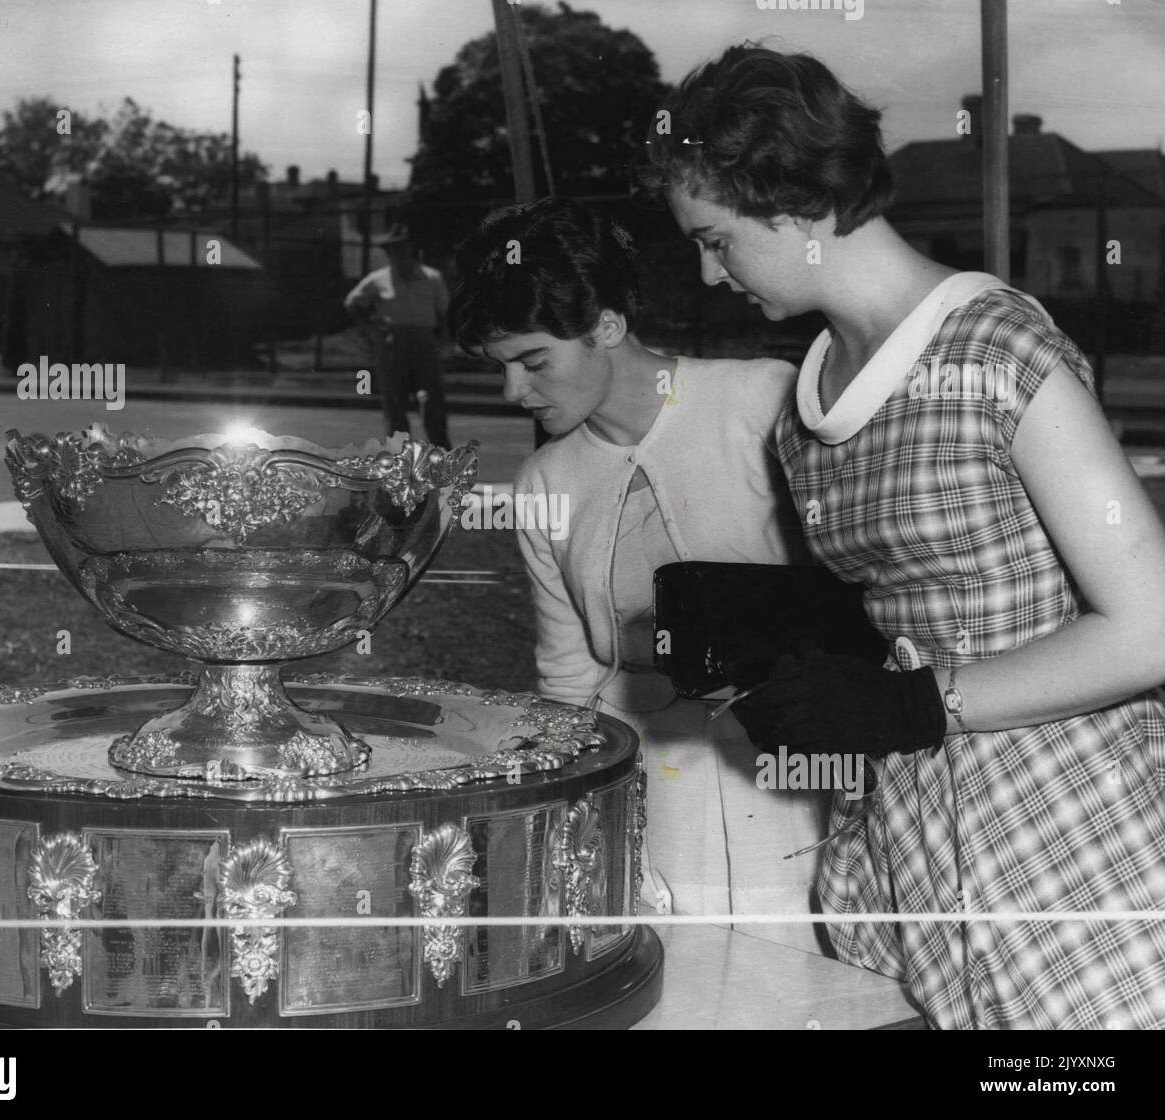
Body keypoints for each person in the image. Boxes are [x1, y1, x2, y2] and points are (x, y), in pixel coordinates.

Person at [638, 43, 1165, 1029]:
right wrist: (779, 643)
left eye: (715, 240)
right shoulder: (808, 404)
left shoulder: (994, 347)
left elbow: (1150, 629)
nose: (709, 277)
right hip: (912, 855)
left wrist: (911, 702)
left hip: (1069, 850)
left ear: (796, 206)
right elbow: (906, 604)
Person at [449, 197, 832, 948]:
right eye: (501, 369)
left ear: (608, 327)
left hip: (788, 779)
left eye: (534, 362)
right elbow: (566, 679)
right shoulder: (543, 481)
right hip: (644, 794)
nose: (514, 394)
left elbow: (847, 602)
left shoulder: (760, 401)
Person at [344, 225, 452, 448]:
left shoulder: (431, 277)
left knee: (432, 399)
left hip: (424, 341)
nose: (398, 253)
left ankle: (442, 455)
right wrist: (372, 327)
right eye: (392, 249)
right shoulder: (378, 279)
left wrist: (442, 340)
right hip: (393, 342)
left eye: (402, 247)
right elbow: (352, 302)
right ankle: (400, 458)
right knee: (394, 401)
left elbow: (443, 312)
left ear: (411, 248)